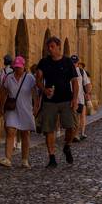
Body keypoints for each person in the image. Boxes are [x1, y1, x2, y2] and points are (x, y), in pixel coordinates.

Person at [35, 36, 79, 167]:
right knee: (49, 129)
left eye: (52, 47)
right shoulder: (44, 62)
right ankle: (52, 157)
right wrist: (44, 90)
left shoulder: (67, 62)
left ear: (59, 47)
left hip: (66, 99)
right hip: (50, 101)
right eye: (48, 47)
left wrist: (75, 99)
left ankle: (67, 146)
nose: (50, 49)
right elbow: (38, 80)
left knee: (71, 127)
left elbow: (75, 82)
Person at [0, 56, 36, 168]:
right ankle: (8, 159)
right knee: (10, 131)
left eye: (19, 67)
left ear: (24, 67)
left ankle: (24, 159)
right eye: (15, 67)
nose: (17, 70)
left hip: (25, 109)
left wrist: (37, 106)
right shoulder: (8, 78)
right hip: (12, 109)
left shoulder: (30, 78)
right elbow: (4, 92)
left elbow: (35, 93)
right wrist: (1, 107)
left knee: (25, 134)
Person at [72, 55, 92, 142]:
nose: (73, 64)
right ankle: (74, 134)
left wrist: (87, 93)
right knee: (72, 117)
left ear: (77, 63)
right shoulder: (66, 71)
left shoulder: (81, 71)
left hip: (79, 98)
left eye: (75, 62)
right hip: (68, 98)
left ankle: (76, 134)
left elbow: (87, 84)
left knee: (77, 116)